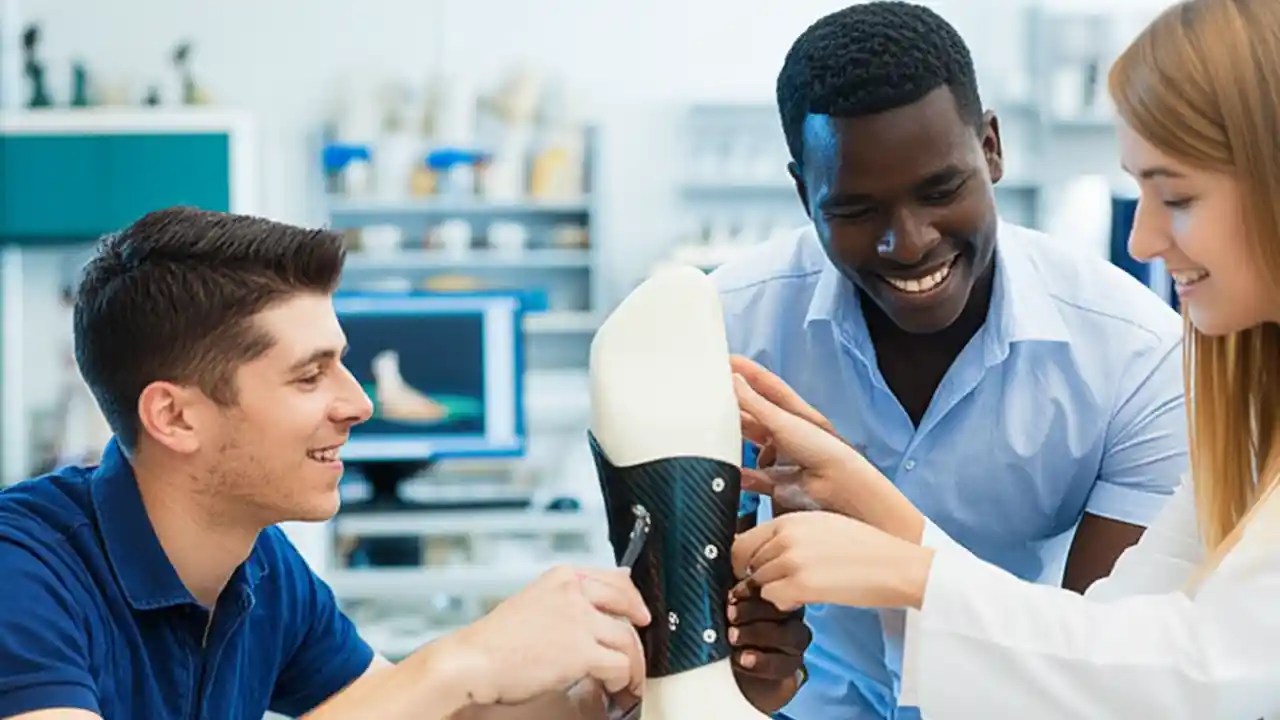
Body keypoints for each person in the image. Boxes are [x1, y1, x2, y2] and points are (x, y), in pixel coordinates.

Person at [0, 207, 806, 720]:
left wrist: (620, 688)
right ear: (174, 415)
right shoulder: (22, 572)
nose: (359, 403)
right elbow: (426, 695)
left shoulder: (259, 571)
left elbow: (395, 713)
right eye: (310, 374)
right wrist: (466, 658)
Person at [730, 0, 1280, 716]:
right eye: (1138, 188)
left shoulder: (1139, 351)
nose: (1140, 240)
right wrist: (878, 516)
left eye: (1173, 195)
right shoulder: (730, 319)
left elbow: (1202, 676)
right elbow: (1113, 640)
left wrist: (910, 572)